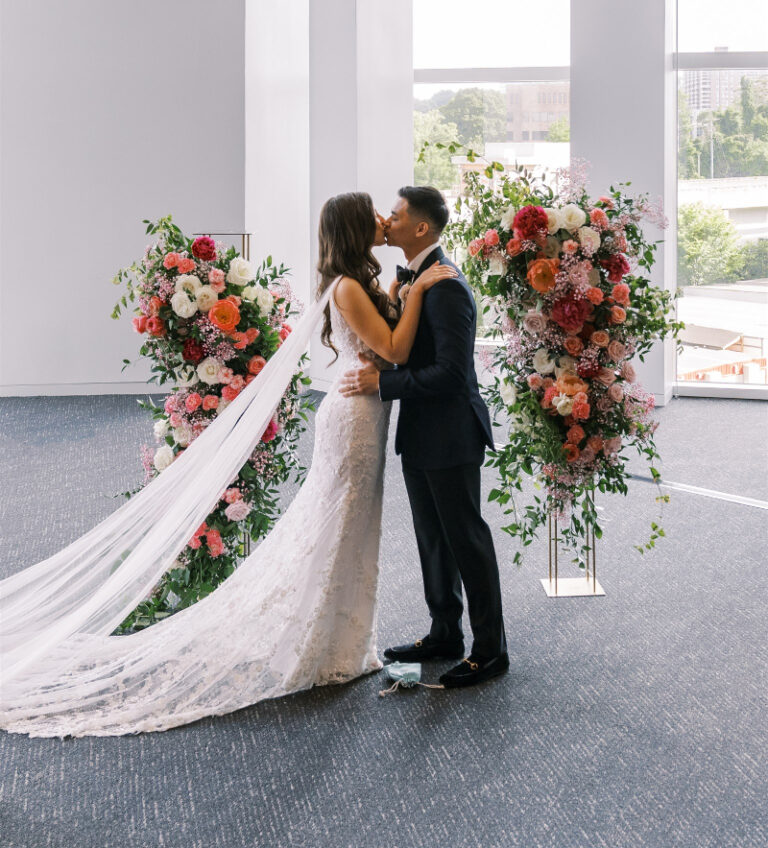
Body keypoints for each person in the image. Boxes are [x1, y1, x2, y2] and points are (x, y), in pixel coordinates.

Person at [0, 192, 456, 738]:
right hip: (355, 419)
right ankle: (322, 639)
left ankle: (338, 635)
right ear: (358, 229)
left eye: (392, 213)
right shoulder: (350, 287)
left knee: (347, 526)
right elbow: (396, 353)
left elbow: (383, 349)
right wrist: (418, 292)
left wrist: (405, 291)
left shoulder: (360, 281)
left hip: (365, 411)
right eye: (377, 215)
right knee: (338, 525)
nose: (386, 220)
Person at [341, 185, 509, 689]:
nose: (385, 221)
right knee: (432, 540)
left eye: (393, 215)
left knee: (466, 540)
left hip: (452, 433)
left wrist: (383, 383)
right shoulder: (413, 279)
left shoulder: (448, 285)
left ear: (419, 228)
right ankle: (444, 633)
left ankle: (490, 650)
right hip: (420, 433)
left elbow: (452, 376)